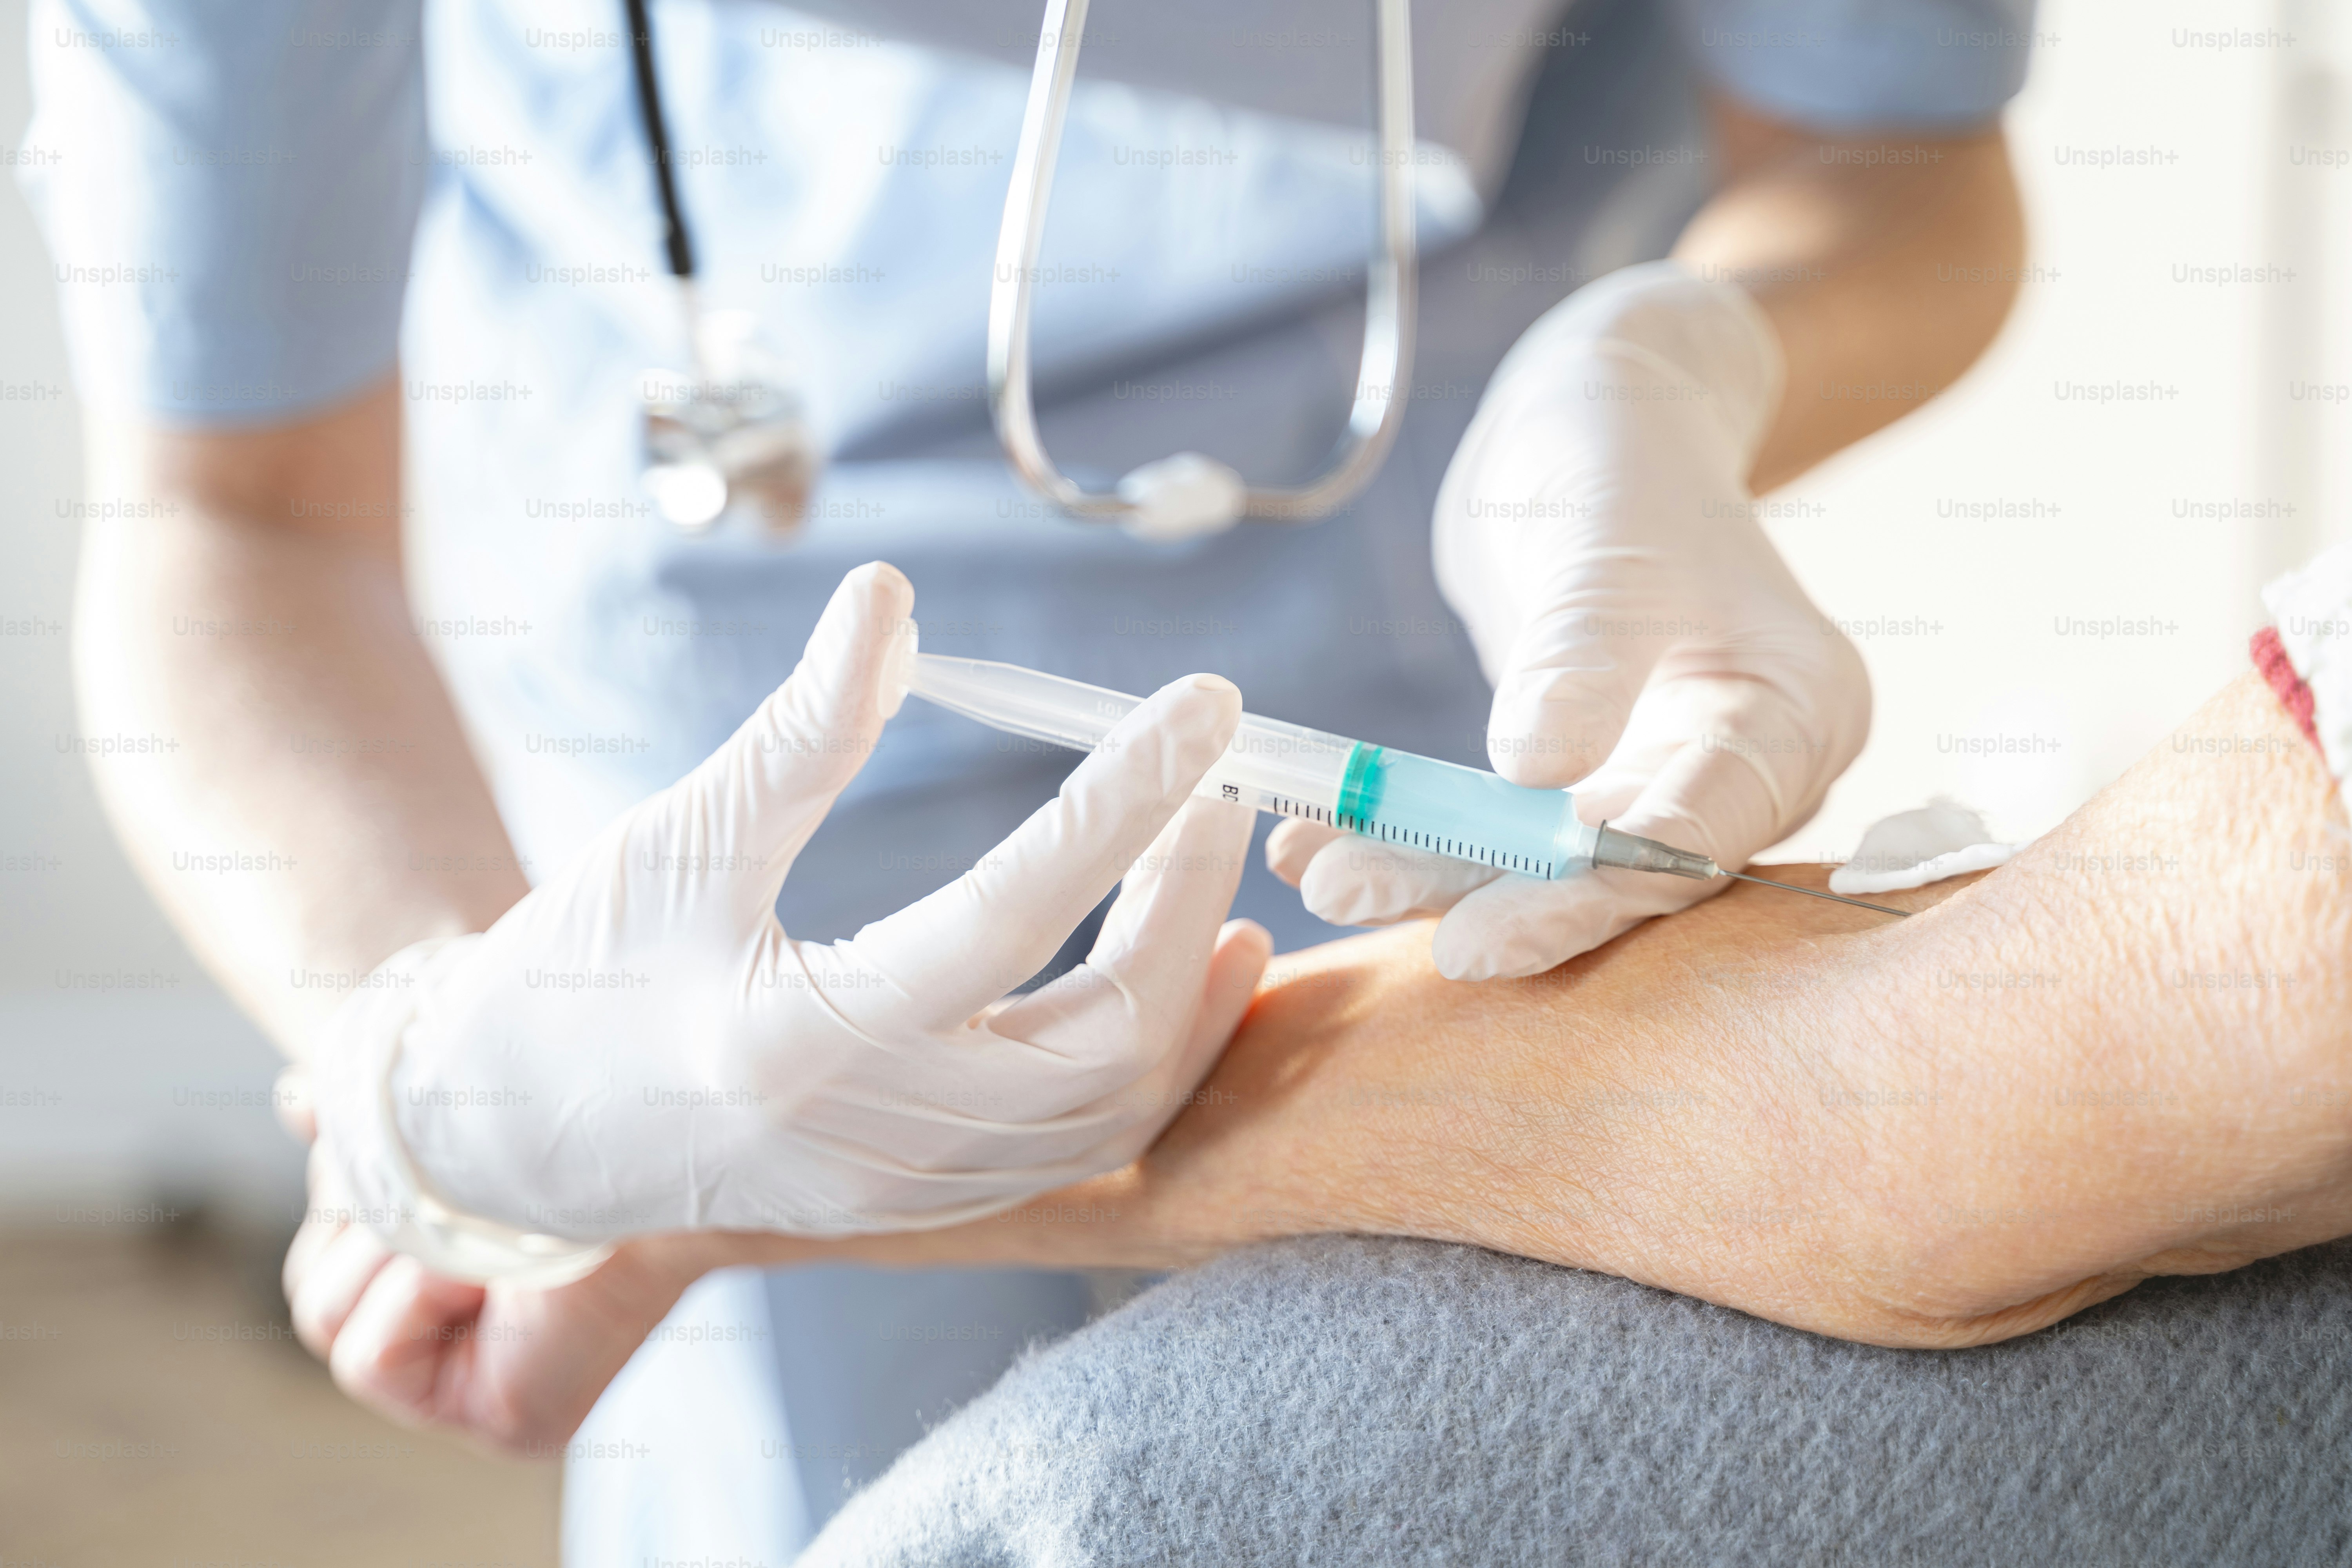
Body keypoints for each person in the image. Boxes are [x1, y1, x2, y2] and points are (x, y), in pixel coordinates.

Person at [25, 0, 2035, 1554]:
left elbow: (1894, 154)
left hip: (1439, 765)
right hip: (694, 843)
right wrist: (451, 1036)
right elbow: (232, 523)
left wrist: (1678, 367)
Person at [291, 623, 2352, 1559]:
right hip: (609, 715)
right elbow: (231, 525)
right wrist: (436, 1065)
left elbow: (1900, 1114)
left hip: (1381, 676)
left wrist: (724, 1191)